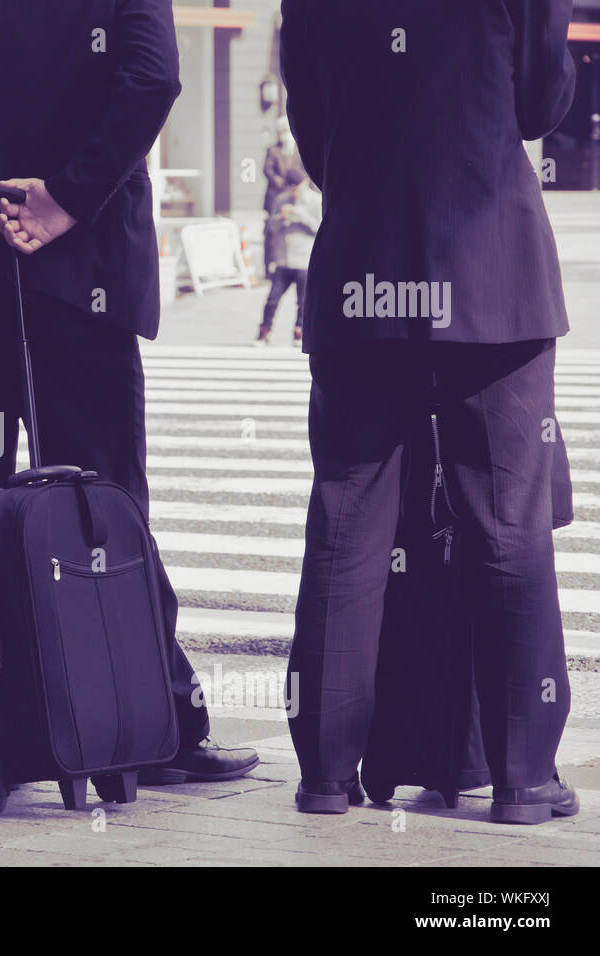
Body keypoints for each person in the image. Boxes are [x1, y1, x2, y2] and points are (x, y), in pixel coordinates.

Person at [0, 0, 258, 785]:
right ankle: (141, 721)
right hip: (81, 273)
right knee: (100, 502)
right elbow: (151, 78)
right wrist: (68, 199)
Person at [281, 0, 578, 822]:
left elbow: (313, 126)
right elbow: (540, 103)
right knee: (508, 522)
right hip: (491, 273)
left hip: (361, 267)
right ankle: (521, 776)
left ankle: (326, 774)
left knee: (345, 522)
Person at [256, 178, 320, 344]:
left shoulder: (315, 200)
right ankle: (264, 331)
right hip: (283, 258)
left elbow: (321, 227)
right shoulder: (281, 200)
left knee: (303, 301)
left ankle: (300, 331)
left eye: (296, 186)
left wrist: (300, 215)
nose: (294, 191)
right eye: (290, 187)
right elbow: (271, 228)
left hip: (304, 259)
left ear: (304, 183)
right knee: (272, 299)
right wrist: (282, 218)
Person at [262, 116, 307, 281]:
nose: (284, 135)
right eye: (281, 132)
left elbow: (303, 171)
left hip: (295, 195)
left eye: (286, 131)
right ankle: (269, 267)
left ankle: (293, 264)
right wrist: (280, 182)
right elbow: (267, 170)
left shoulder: (298, 149)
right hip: (276, 195)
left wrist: (298, 184)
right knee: (271, 231)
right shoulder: (272, 150)